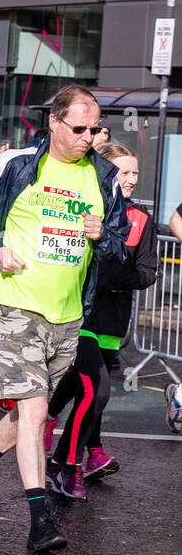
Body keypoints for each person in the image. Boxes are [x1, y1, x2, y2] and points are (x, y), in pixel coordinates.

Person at [0, 84, 130, 552]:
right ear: (53, 123)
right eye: (78, 128)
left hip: (69, 315)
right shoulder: (15, 164)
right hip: (15, 304)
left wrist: (103, 236)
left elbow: (118, 249)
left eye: (95, 129)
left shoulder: (105, 177)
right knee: (34, 410)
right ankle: (40, 520)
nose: (87, 137)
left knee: (32, 413)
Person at [46, 143, 157, 497]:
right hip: (78, 313)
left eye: (134, 172)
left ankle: (54, 437)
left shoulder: (140, 219)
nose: (130, 179)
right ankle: (69, 463)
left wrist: (115, 276)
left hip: (113, 319)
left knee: (87, 391)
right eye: (123, 172)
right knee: (97, 391)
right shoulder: (86, 209)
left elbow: (147, 271)